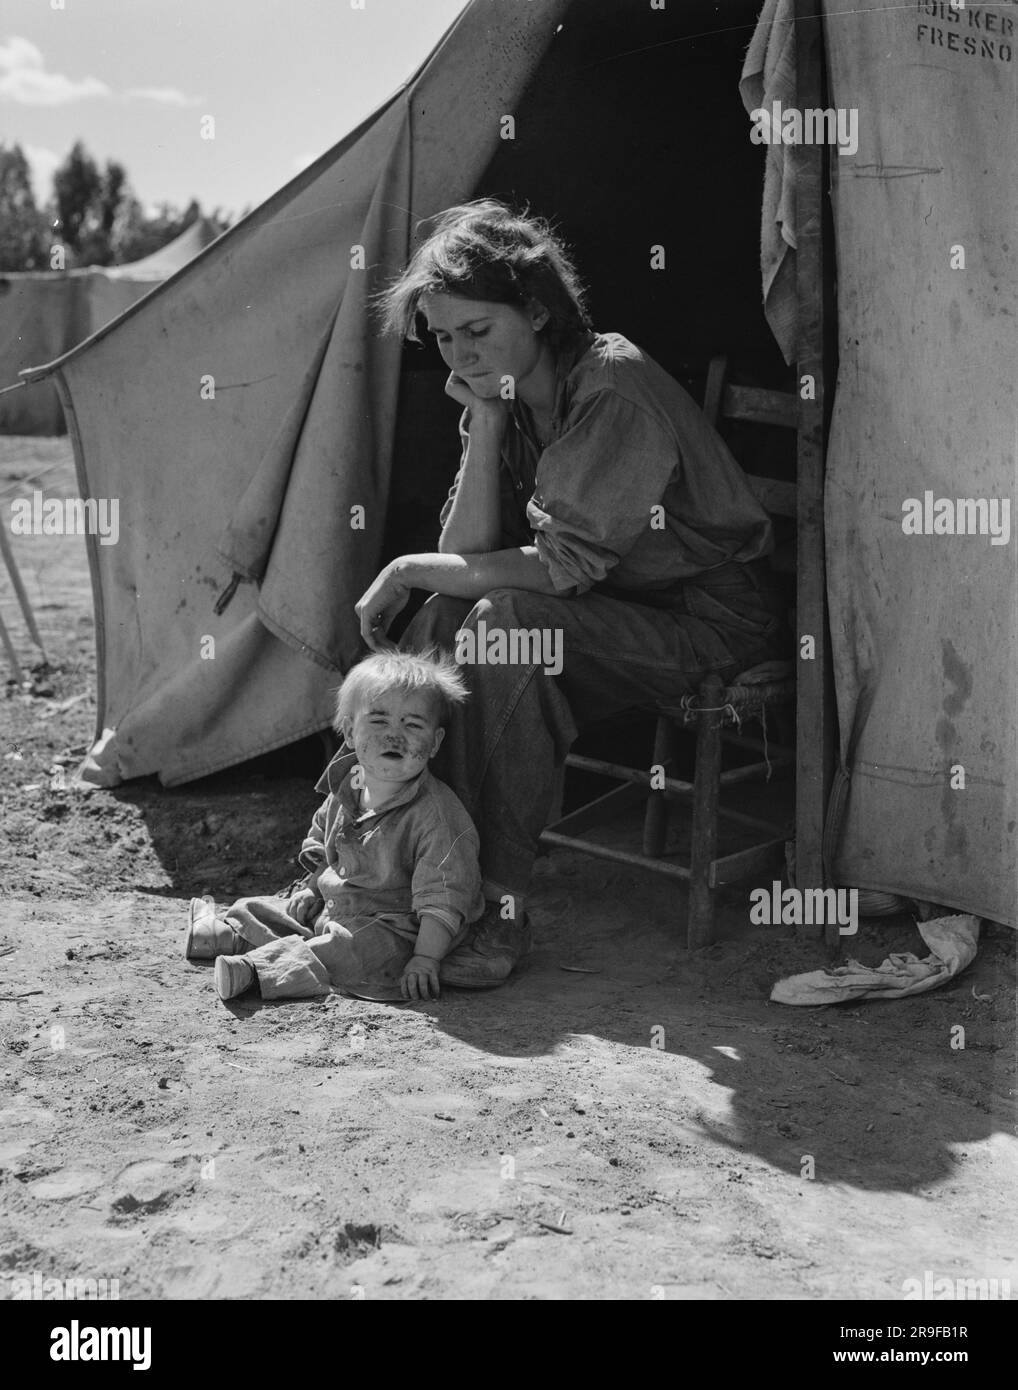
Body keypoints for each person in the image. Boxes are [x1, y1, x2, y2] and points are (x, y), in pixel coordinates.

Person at [356, 199, 788, 988]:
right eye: (445, 339)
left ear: (538, 310)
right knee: (454, 612)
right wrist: (485, 426)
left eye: (478, 332)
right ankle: (394, 862)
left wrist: (405, 567)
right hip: (621, 612)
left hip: (711, 625)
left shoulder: (610, 387)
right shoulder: (510, 397)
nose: (461, 356)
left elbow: (555, 570)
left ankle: (494, 907)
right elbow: (467, 554)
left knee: (504, 619)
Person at [184, 650, 484, 1003]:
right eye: (379, 721)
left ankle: (255, 972)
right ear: (350, 733)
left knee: (349, 949)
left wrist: (425, 958)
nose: (394, 735)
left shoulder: (437, 817)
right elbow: (327, 852)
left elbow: (443, 899)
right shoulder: (346, 789)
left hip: (393, 928)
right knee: (267, 908)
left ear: (434, 743)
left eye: (413, 725)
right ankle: (227, 932)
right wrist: (312, 890)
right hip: (334, 907)